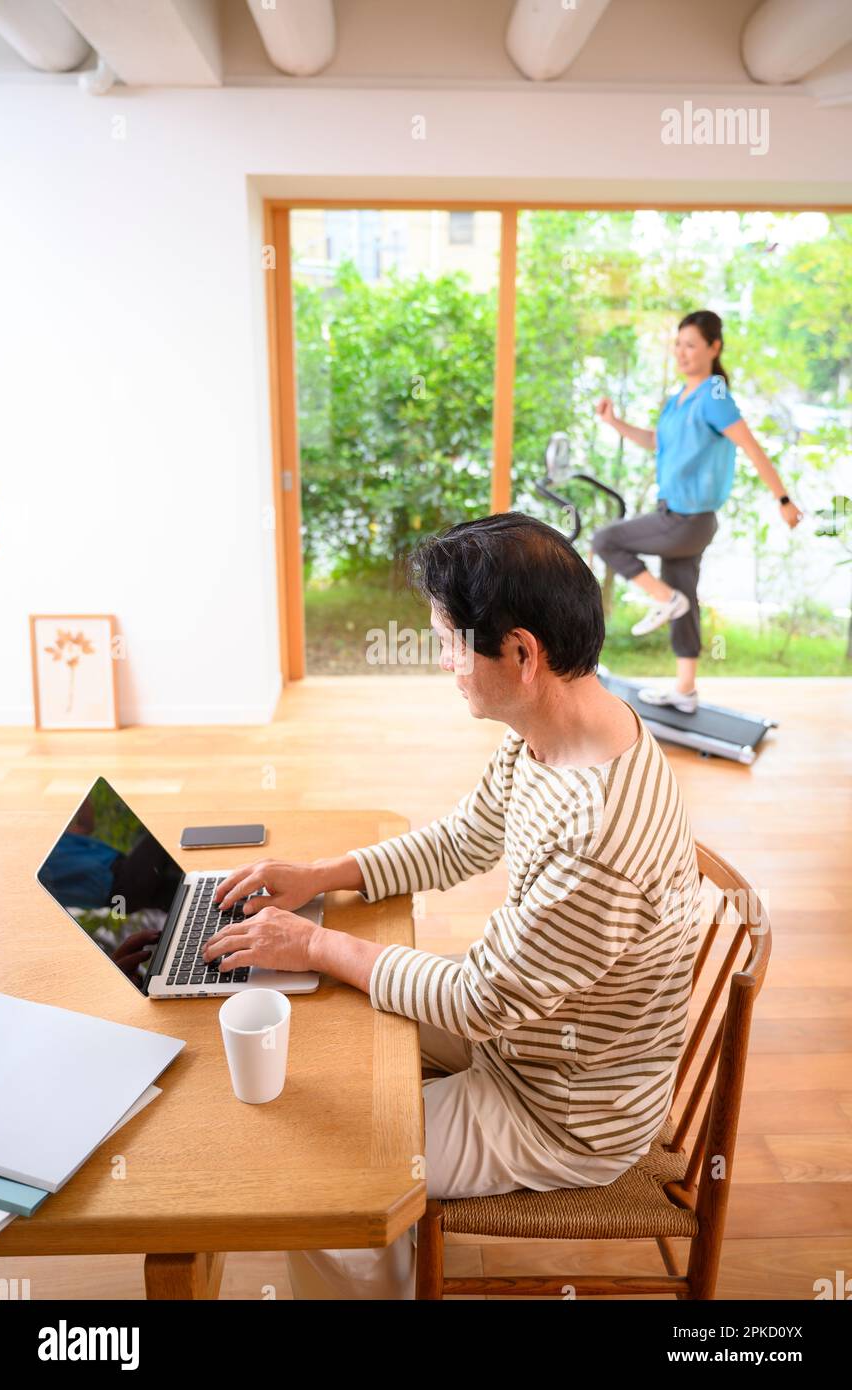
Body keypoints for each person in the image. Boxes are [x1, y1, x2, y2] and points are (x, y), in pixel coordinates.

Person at [200, 513, 705, 1300]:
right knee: (338, 1020)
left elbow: (477, 1002)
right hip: (528, 1035)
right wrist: (322, 876)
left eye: (447, 643)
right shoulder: (555, 731)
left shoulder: (598, 844)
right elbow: (466, 838)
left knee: (335, 1181)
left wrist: (318, 946)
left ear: (521, 654)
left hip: (562, 1109)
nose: (443, 663)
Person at [592, 309, 803, 713]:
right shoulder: (679, 399)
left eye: (691, 344)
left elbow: (750, 445)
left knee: (606, 539)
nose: (682, 352)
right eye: (678, 344)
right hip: (679, 517)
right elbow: (657, 441)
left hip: (687, 520)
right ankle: (685, 689)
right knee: (685, 595)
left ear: (714, 347)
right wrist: (615, 422)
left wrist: (783, 499)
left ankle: (664, 599)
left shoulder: (715, 396)